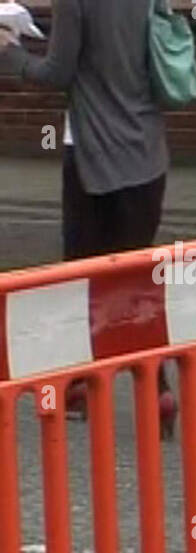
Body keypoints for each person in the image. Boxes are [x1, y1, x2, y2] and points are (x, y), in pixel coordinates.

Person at [1, 0, 176, 436]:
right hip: (147, 155)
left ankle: (76, 383)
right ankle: (158, 393)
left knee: (79, 278)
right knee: (134, 279)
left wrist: (10, 52)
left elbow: (57, 73)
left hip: (92, 156)